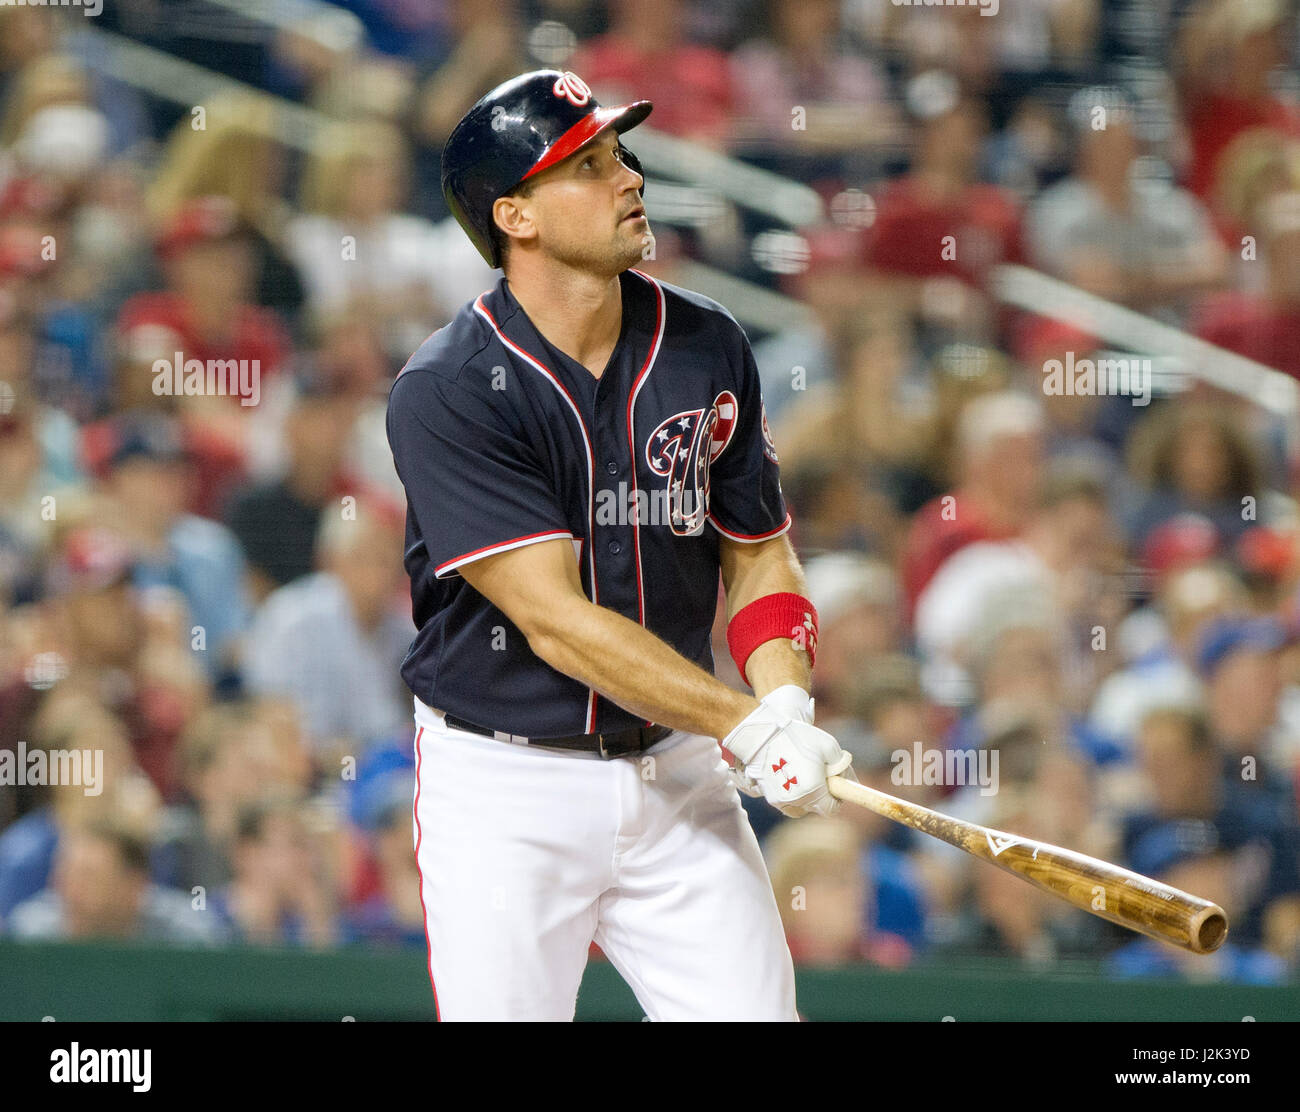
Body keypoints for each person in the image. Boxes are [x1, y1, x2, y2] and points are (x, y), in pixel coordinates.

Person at [385, 70, 854, 1021]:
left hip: (678, 775)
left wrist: (787, 699)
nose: (628, 176)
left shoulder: (708, 341)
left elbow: (759, 550)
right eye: (587, 164)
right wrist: (744, 723)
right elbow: (557, 623)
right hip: (507, 785)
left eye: (621, 153)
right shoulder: (451, 388)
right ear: (513, 216)